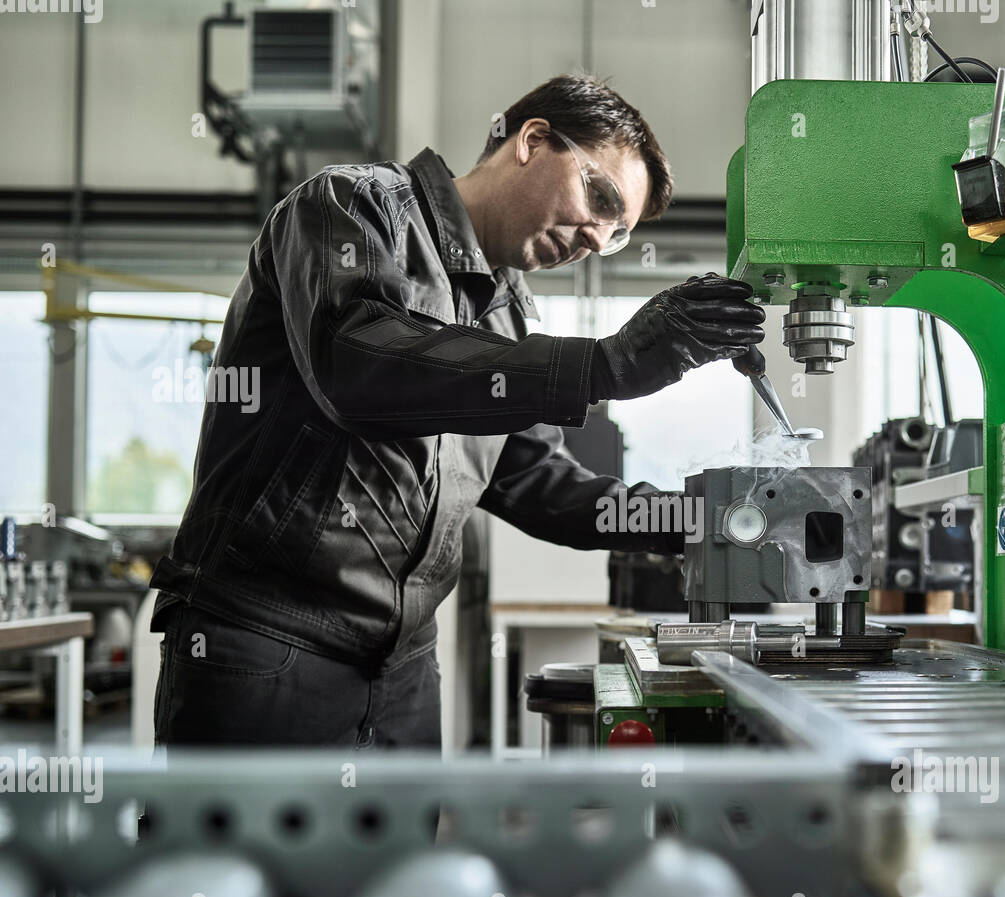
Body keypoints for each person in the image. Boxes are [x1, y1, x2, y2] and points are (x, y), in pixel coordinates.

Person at [150, 73, 764, 749]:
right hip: (268, 642)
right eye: (601, 199)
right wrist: (603, 364)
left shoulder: (506, 315)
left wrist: (695, 521)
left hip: (402, 665)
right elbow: (356, 364)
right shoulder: (355, 207)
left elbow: (531, 479)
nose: (594, 239)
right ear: (532, 140)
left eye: (617, 234)